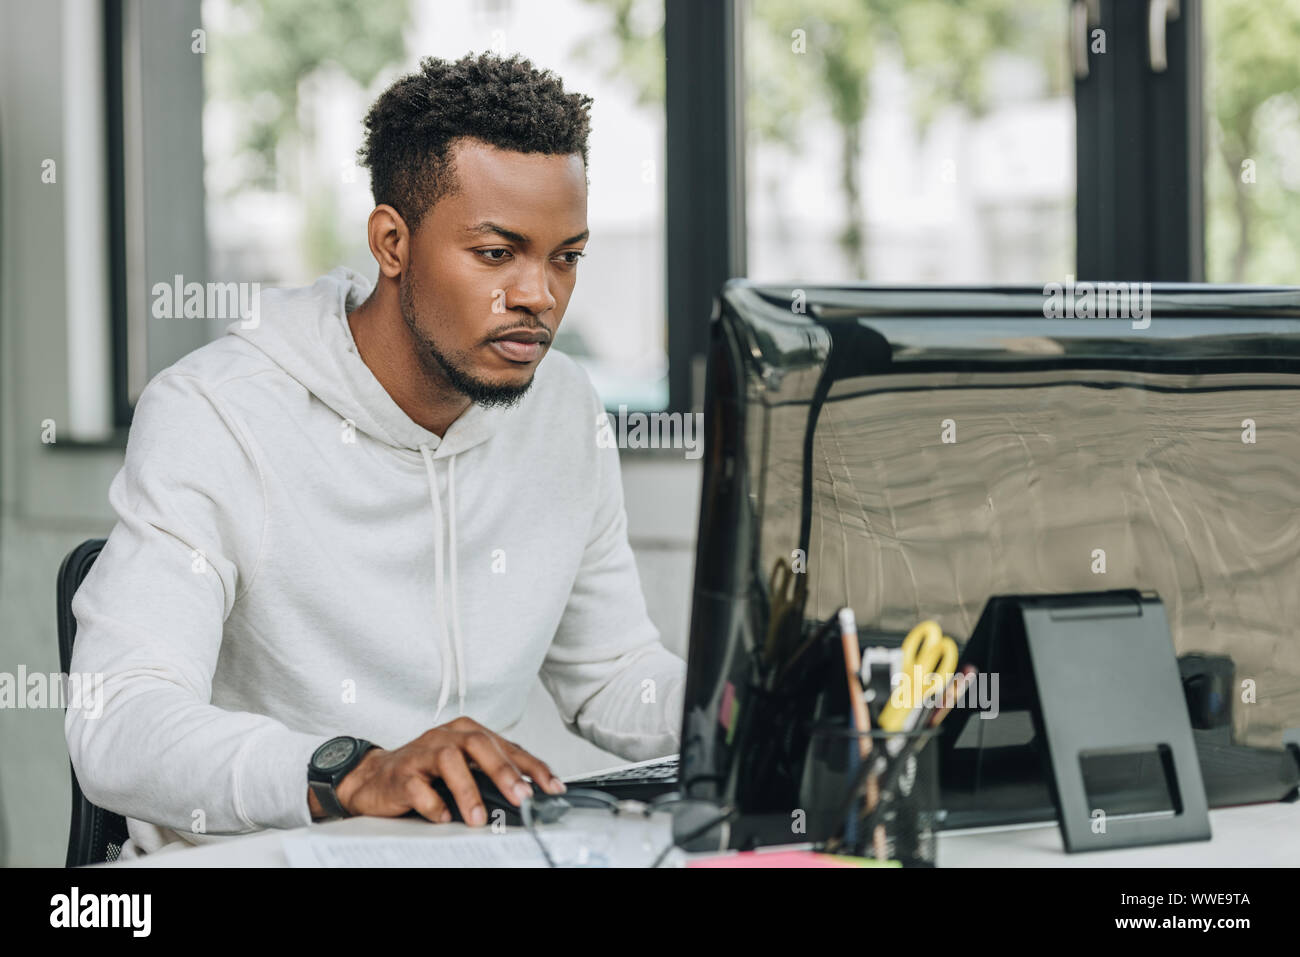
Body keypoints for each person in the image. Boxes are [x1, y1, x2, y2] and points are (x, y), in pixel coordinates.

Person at [65, 51, 685, 858]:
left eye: (565, 256)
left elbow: (610, 672)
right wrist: (347, 771)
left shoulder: (562, 408)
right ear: (392, 242)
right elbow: (118, 720)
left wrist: (765, 712)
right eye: (497, 254)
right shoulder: (217, 411)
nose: (539, 294)